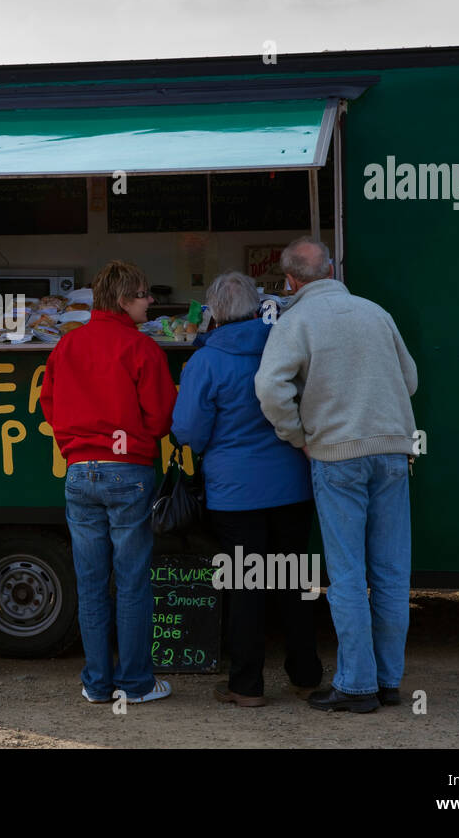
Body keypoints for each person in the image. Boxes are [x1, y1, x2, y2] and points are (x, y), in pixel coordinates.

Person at [255, 237, 418, 714]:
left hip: (335, 455)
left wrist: (296, 434)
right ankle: (388, 681)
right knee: (391, 573)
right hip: (391, 451)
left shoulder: (295, 321)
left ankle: (356, 686)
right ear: (330, 269)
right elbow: (410, 380)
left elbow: (269, 387)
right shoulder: (375, 312)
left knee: (346, 575)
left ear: (289, 281)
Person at [171, 272, 321, 707]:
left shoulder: (205, 361)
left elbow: (188, 433)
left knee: (245, 587)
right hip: (293, 485)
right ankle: (307, 677)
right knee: (295, 582)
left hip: (236, 494)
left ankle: (247, 686)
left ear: (214, 312)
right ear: (259, 306)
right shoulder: (284, 345)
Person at [40, 260, 177, 705]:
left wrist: (74, 443)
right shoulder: (142, 349)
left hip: (80, 472)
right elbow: (159, 418)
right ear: (123, 300)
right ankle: (135, 683)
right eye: (144, 294)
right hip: (128, 473)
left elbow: (49, 403)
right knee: (133, 581)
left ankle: (97, 683)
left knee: (91, 582)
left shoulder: (67, 345)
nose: (151, 300)